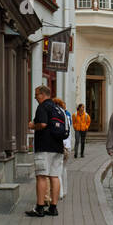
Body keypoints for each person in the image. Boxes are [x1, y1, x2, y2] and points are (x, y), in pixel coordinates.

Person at [25, 86, 67, 218]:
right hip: (58, 148)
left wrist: (33, 126)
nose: (35, 97)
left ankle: (40, 207)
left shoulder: (43, 107)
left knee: (41, 176)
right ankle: (53, 207)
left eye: (36, 94)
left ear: (43, 95)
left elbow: (42, 124)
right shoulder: (58, 108)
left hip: (44, 147)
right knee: (55, 176)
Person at [53, 97, 72, 200]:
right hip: (67, 146)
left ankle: (59, 193)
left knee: (57, 170)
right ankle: (64, 191)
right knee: (64, 169)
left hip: (62, 146)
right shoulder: (67, 115)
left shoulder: (59, 116)